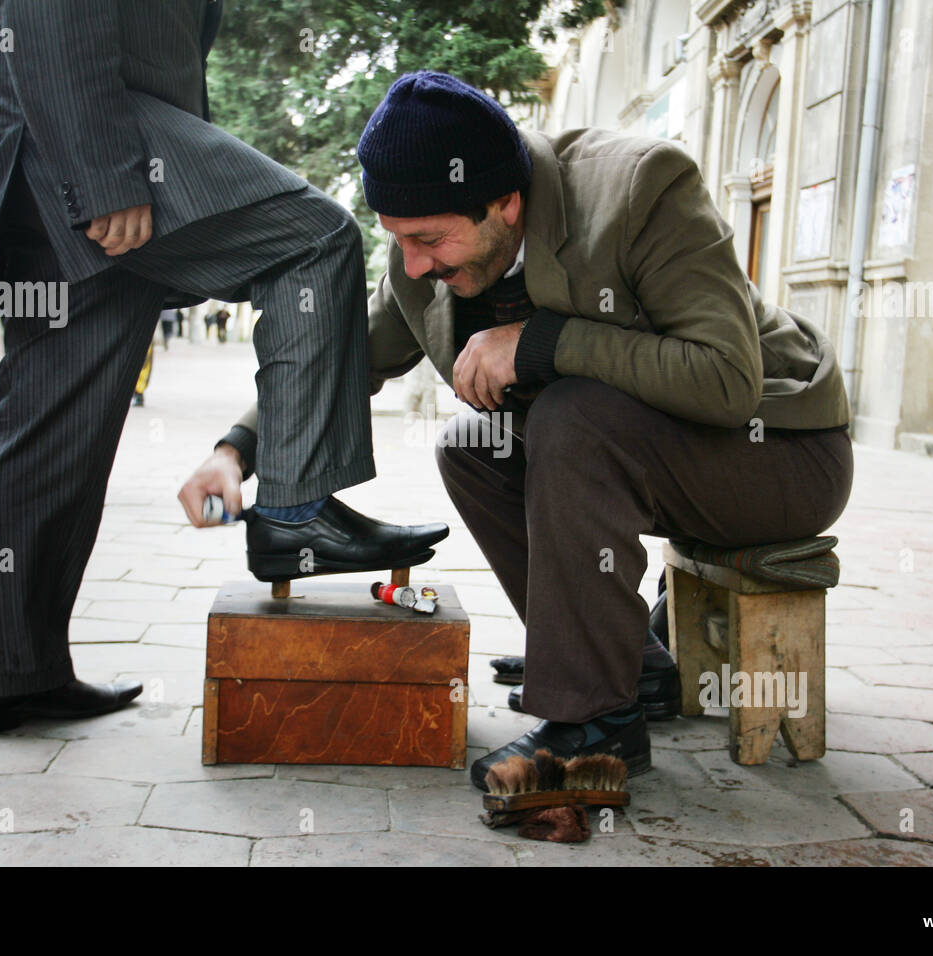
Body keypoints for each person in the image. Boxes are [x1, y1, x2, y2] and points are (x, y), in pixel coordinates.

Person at [188, 72, 853, 788]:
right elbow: (340, 361)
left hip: (780, 453)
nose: (413, 265)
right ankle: (627, 667)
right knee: (474, 445)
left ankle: (596, 724)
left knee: (570, 416)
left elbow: (726, 378)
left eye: (429, 241)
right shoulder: (422, 248)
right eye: (399, 241)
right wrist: (236, 451)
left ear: (505, 203)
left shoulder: (640, 190)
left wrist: (538, 343)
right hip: (655, 453)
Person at [0, 1, 447, 737]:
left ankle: (12, 675)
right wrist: (99, 170)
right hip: (96, 133)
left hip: (56, 137)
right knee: (313, 239)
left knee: (53, 423)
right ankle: (294, 513)